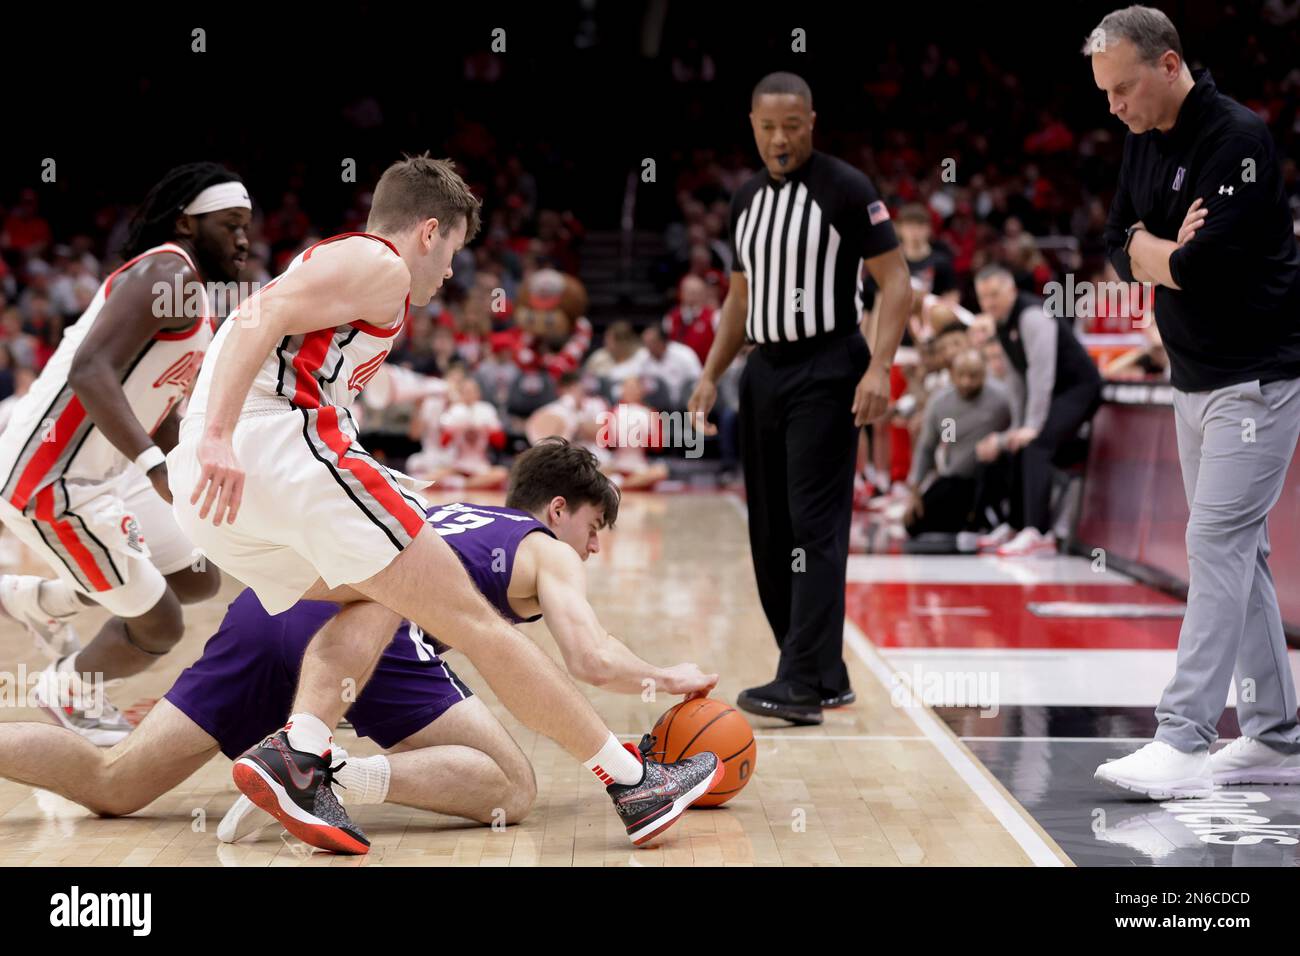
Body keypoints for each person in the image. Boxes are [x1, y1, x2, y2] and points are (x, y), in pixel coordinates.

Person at [169, 154, 722, 853]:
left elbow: (270, 330)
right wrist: (220, 432)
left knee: (375, 595)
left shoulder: (355, 279)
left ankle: (300, 754)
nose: (453, 271)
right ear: (429, 232)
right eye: (455, 251)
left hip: (215, 487)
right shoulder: (383, 265)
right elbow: (260, 313)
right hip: (265, 450)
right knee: (479, 625)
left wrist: (211, 437)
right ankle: (631, 782)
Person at [0, 440, 718, 843]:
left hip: (271, 607)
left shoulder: (453, 508)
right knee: (510, 786)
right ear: (558, 510)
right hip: (367, 626)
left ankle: (298, 762)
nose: (592, 549)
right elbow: (588, 657)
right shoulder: (546, 549)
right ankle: (323, 770)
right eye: (594, 528)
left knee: (113, 781)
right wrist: (668, 676)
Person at [1084, 6, 1300, 797]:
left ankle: (1184, 736)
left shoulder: (1237, 139)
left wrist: (1158, 251)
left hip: (1255, 379)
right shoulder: (1142, 141)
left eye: (1123, 89)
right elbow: (1113, 241)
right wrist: (1161, 249)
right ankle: (1279, 740)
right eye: (1105, 94)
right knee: (1243, 558)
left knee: (1214, 543)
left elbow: (1206, 270)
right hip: (1191, 376)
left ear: (1169, 65)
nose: (1114, 108)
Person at [687, 72, 911, 725]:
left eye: (791, 125)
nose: (779, 138)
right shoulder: (745, 200)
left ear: (811, 121)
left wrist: (879, 366)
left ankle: (798, 684)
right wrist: (710, 373)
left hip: (828, 365)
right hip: (764, 370)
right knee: (770, 531)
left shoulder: (848, 188)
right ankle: (821, 671)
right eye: (767, 127)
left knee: (814, 528)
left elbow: (896, 282)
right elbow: (739, 296)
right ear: (752, 125)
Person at [0, 164, 249, 744]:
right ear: (188, 222)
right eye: (230, 224)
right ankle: (68, 689)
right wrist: (152, 465)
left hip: (103, 468)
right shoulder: (168, 271)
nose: (243, 239)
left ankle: (40, 599)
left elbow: (154, 404)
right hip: (49, 476)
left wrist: (181, 468)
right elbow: (91, 371)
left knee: (195, 574)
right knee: (160, 623)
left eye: (248, 226)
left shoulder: (190, 292)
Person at [973, 265, 1102, 556]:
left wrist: (1032, 425)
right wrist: (1019, 425)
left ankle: (1039, 532)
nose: (989, 303)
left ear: (1011, 290)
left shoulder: (1032, 316)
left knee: (1037, 442)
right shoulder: (1001, 324)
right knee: (1021, 443)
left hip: (1079, 388)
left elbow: (1040, 376)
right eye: (983, 297)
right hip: (1054, 392)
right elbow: (1016, 380)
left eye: (995, 294)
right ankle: (1016, 525)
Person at [904, 349, 1014, 537]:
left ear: (984, 374)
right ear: (952, 375)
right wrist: (914, 491)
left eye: (973, 376)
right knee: (915, 523)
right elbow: (929, 448)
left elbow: (1018, 428)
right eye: (961, 375)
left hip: (993, 474)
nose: (966, 382)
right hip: (957, 479)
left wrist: (1000, 443)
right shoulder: (943, 404)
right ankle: (966, 521)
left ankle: (990, 521)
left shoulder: (1002, 399)